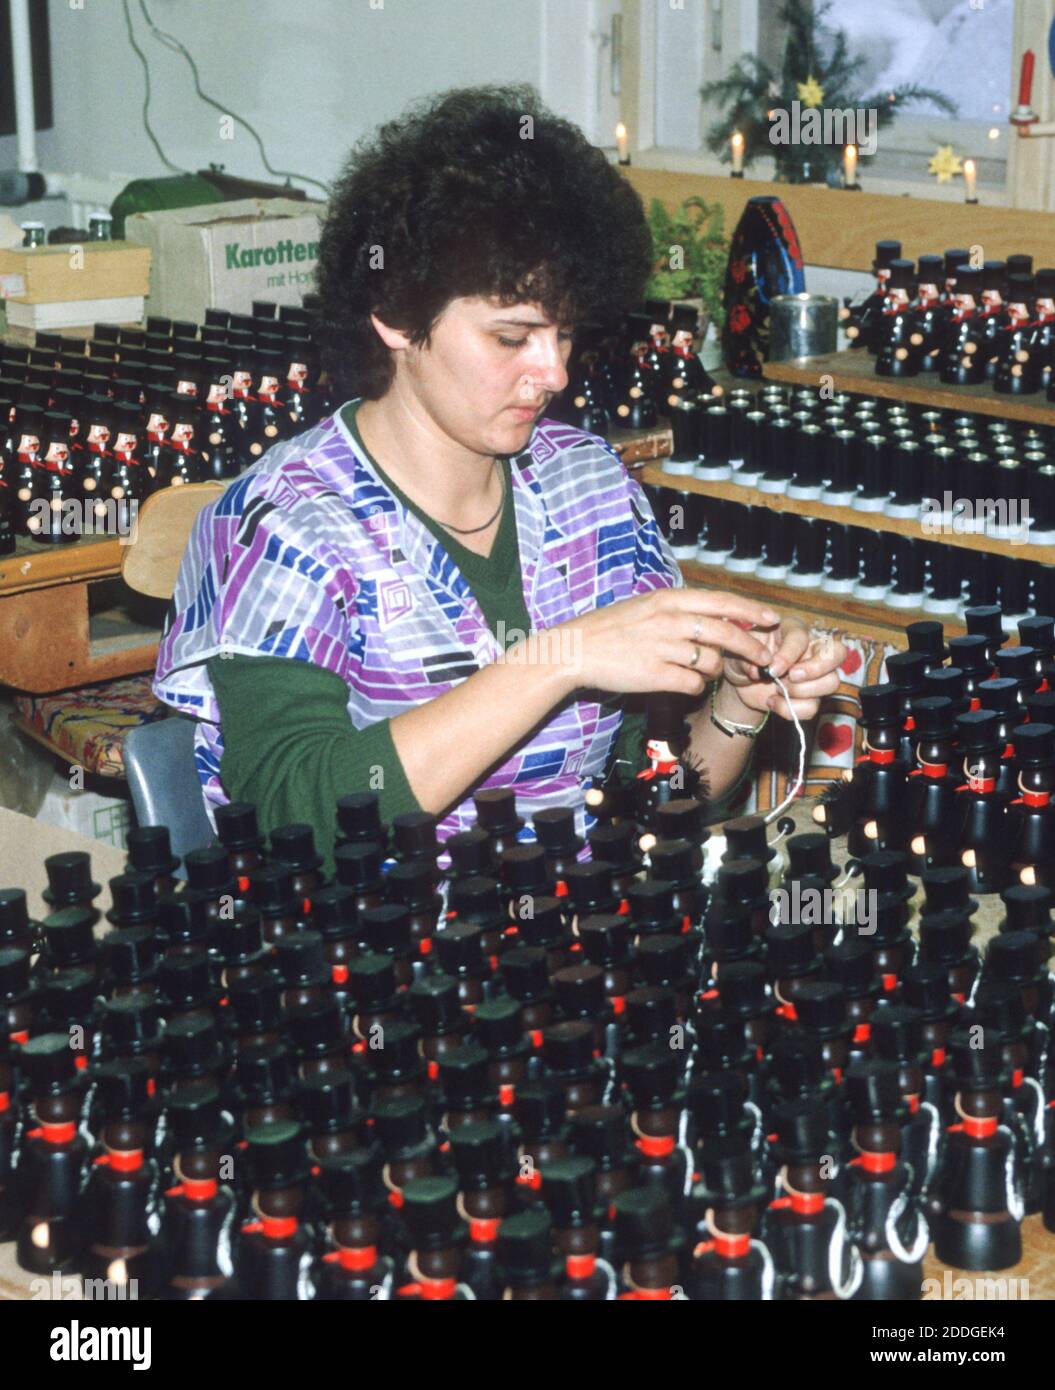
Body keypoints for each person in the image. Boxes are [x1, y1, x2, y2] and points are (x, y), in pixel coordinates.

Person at [153, 84, 845, 873]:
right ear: (395, 312)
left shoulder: (587, 482)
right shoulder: (286, 524)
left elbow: (648, 787)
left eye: (564, 334)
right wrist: (556, 658)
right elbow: (293, 816)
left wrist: (737, 708)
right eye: (511, 337)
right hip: (376, 950)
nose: (551, 372)